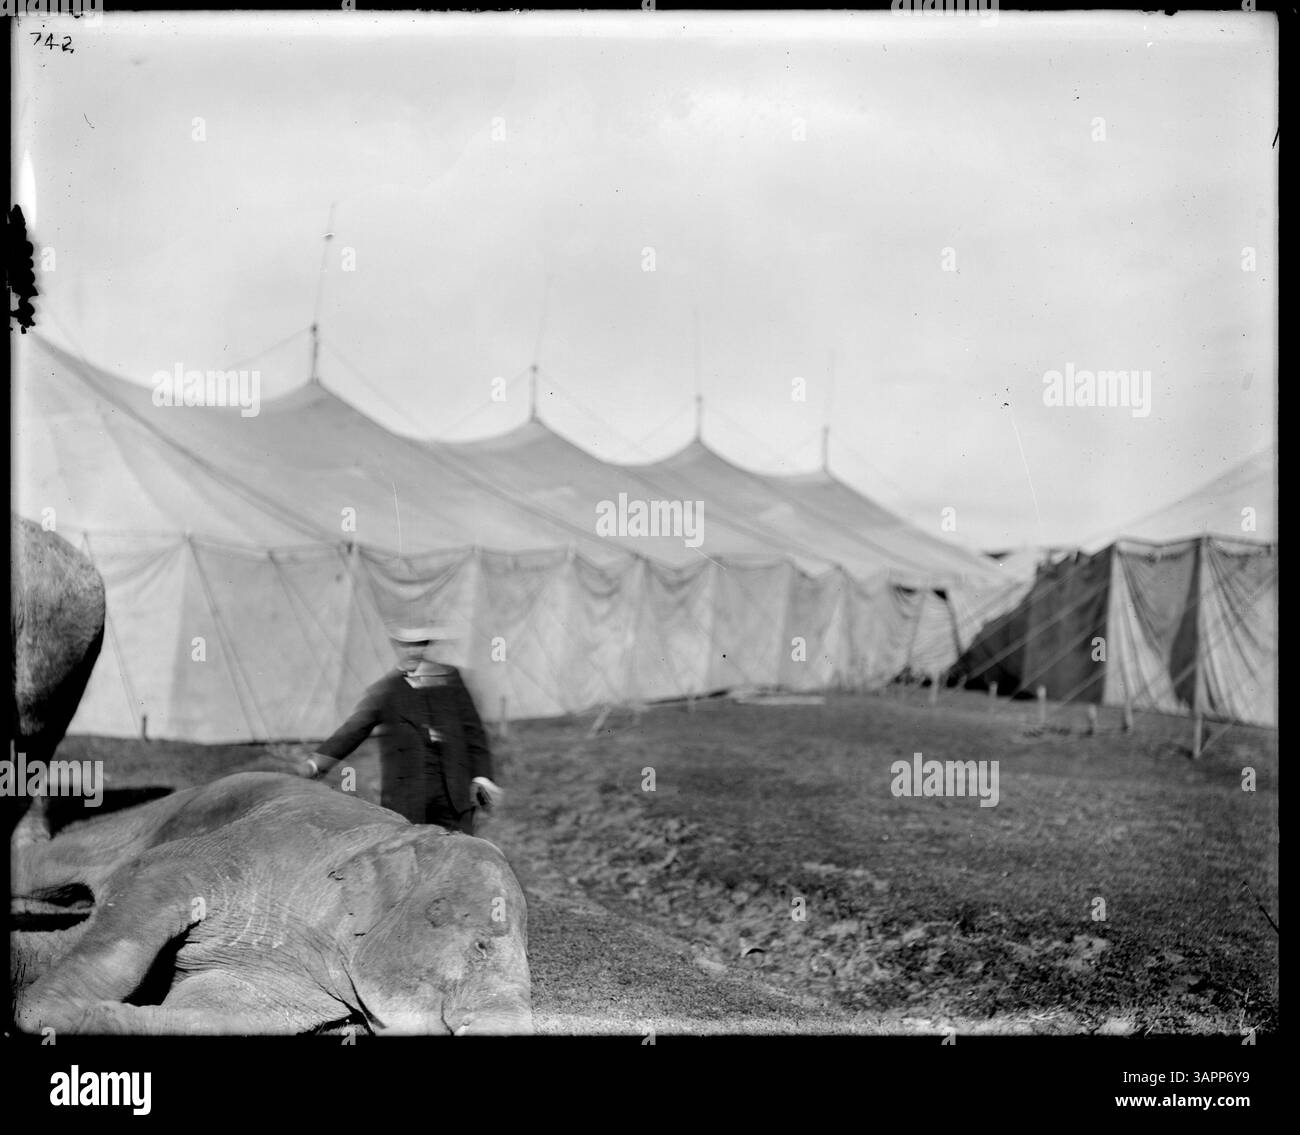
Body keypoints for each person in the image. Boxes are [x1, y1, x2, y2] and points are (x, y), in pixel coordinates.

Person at [294, 626, 502, 834]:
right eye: (407, 645)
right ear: (398, 647)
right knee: (412, 856)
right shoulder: (387, 691)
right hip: (409, 797)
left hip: (454, 793)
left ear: (427, 646)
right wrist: (316, 762)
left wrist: (482, 776)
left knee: (461, 853)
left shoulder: (450, 680)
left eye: (419, 645)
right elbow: (355, 728)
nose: (412, 651)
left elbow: (474, 733)